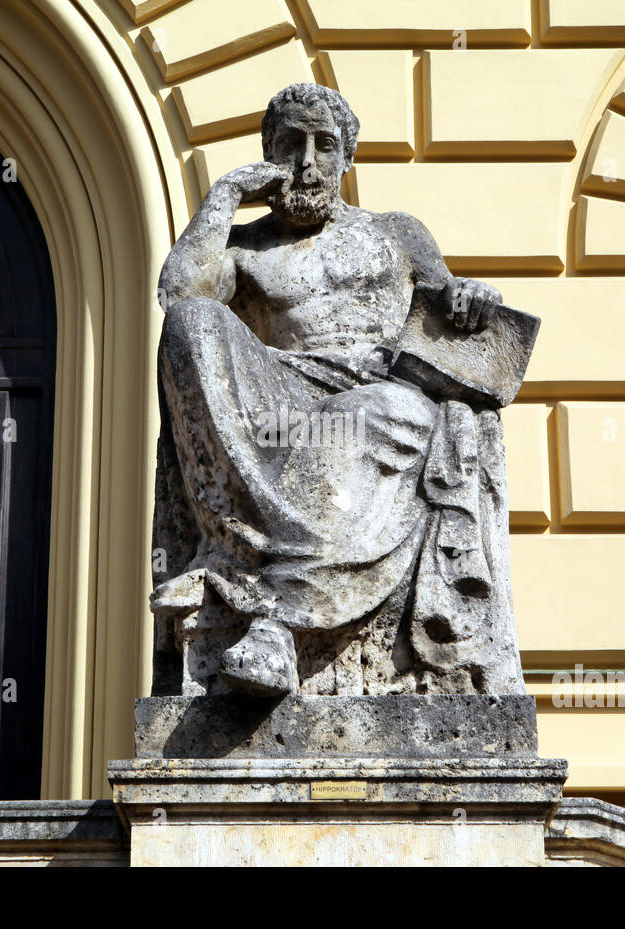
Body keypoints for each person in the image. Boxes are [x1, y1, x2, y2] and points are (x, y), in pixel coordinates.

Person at [151, 83, 525, 698]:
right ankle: (255, 585)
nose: (306, 163)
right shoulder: (245, 248)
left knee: (364, 421)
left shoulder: (396, 235)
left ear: (347, 158)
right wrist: (223, 198)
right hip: (284, 390)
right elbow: (177, 295)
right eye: (290, 145)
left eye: (324, 146)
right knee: (192, 322)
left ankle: (274, 624)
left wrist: (471, 297)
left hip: (381, 389)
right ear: (268, 154)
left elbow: (444, 307)